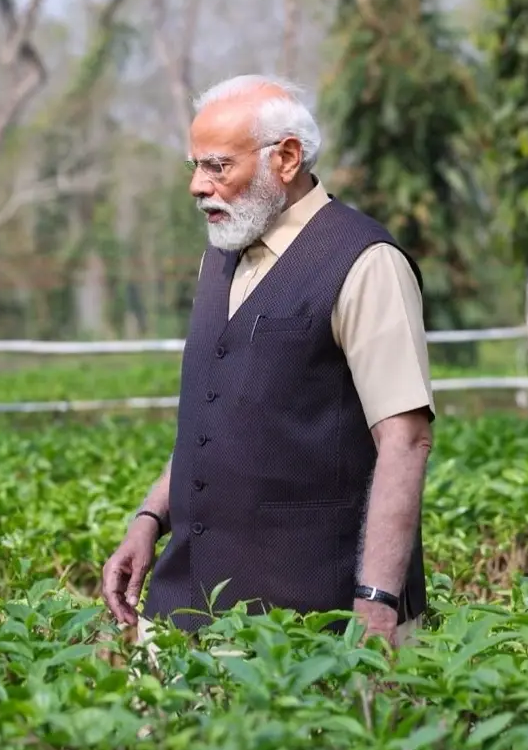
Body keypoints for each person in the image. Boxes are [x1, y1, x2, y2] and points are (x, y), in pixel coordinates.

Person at [100, 74, 435, 649]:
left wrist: (377, 600)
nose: (198, 186)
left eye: (217, 166)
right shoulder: (222, 257)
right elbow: (217, 419)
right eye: (194, 167)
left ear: (286, 158)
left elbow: (405, 439)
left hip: (312, 622)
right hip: (186, 606)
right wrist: (149, 519)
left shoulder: (366, 261)